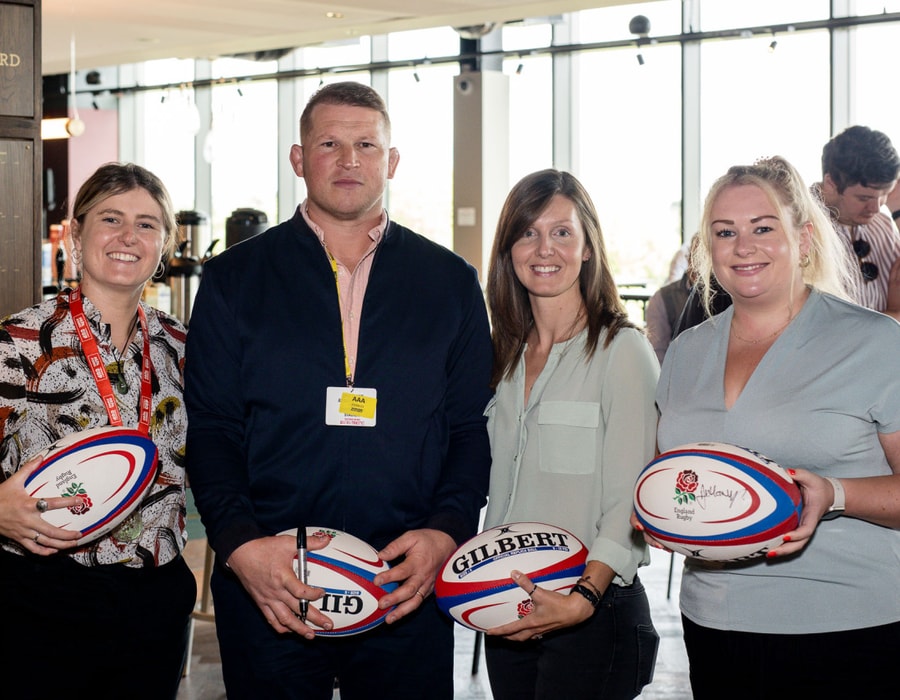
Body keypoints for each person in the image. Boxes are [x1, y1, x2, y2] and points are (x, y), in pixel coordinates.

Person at [183, 81, 493, 699]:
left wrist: (447, 531)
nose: (349, 159)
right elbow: (212, 428)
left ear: (391, 161)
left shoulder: (450, 282)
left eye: (366, 145)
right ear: (299, 159)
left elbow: (467, 428)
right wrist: (240, 546)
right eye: (329, 144)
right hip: (271, 581)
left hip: (404, 581)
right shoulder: (232, 279)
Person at [646, 156, 900, 698]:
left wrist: (835, 493)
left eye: (763, 228)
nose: (744, 246)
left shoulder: (876, 343)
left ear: (803, 240)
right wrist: (659, 509)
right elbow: (675, 469)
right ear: (707, 249)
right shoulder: (686, 351)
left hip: (849, 623)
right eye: (725, 232)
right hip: (714, 622)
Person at [0, 162, 196, 699]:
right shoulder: (17, 342)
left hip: (154, 597)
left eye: (147, 224)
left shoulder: (186, 348)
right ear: (77, 233)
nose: (128, 236)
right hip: (40, 597)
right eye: (111, 219)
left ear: (164, 245)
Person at [482, 169, 660, 700]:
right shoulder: (502, 357)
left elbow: (630, 500)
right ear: (509, 249)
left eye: (562, 232)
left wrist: (585, 596)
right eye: (528, 232)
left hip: (593, 610)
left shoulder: (622, 351)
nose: (544, 248)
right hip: (507, 606)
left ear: (587, 248)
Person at [818, 124, 900, 318]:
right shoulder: (799, 230)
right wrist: (894, 316)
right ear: (830, 183)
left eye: (884, 195)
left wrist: (898, 210)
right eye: (864, 198)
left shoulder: (884, 225)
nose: (876, 208)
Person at [646, 233, 699, 363]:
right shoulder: (663, 299)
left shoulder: (731, 297)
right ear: (688, 259)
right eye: (697, 257)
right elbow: (657, 357)